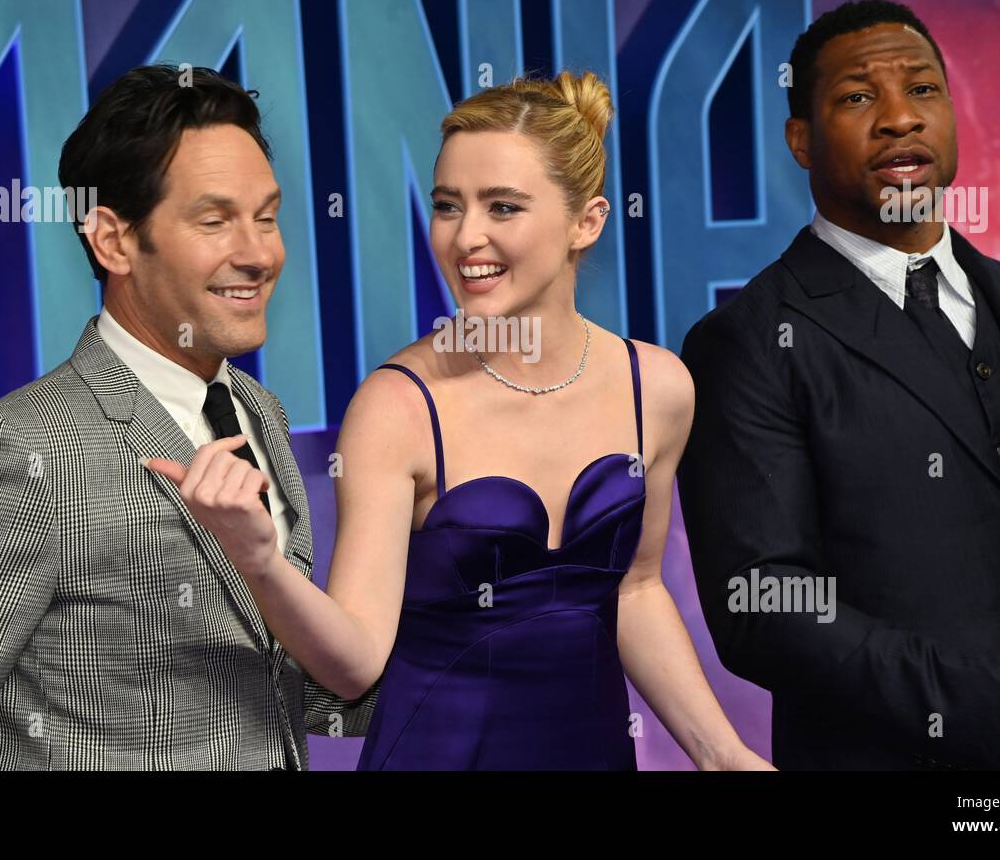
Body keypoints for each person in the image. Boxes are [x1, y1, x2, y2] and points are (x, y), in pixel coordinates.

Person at [146, 72, 771, 770]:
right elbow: (353, 665)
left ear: (586, 221)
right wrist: (258, 558)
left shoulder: (656, 388)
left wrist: (722, 754)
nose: (465, 237)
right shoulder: (398, 406)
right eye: (448, 206)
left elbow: (635, 588)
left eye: (502, 207)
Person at [0, 64, 374, 770]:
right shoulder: (11, 452)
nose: (258, 254)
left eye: (267, 217)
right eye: (215, 222)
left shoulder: (256, 411)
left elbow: (268, 692)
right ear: (113, 241)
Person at [676, 0, 1000, 770]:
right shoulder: (748, 343)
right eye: (858, 97)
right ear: (801, 139)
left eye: (922, 90)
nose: (899, 118)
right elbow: (765, 603)